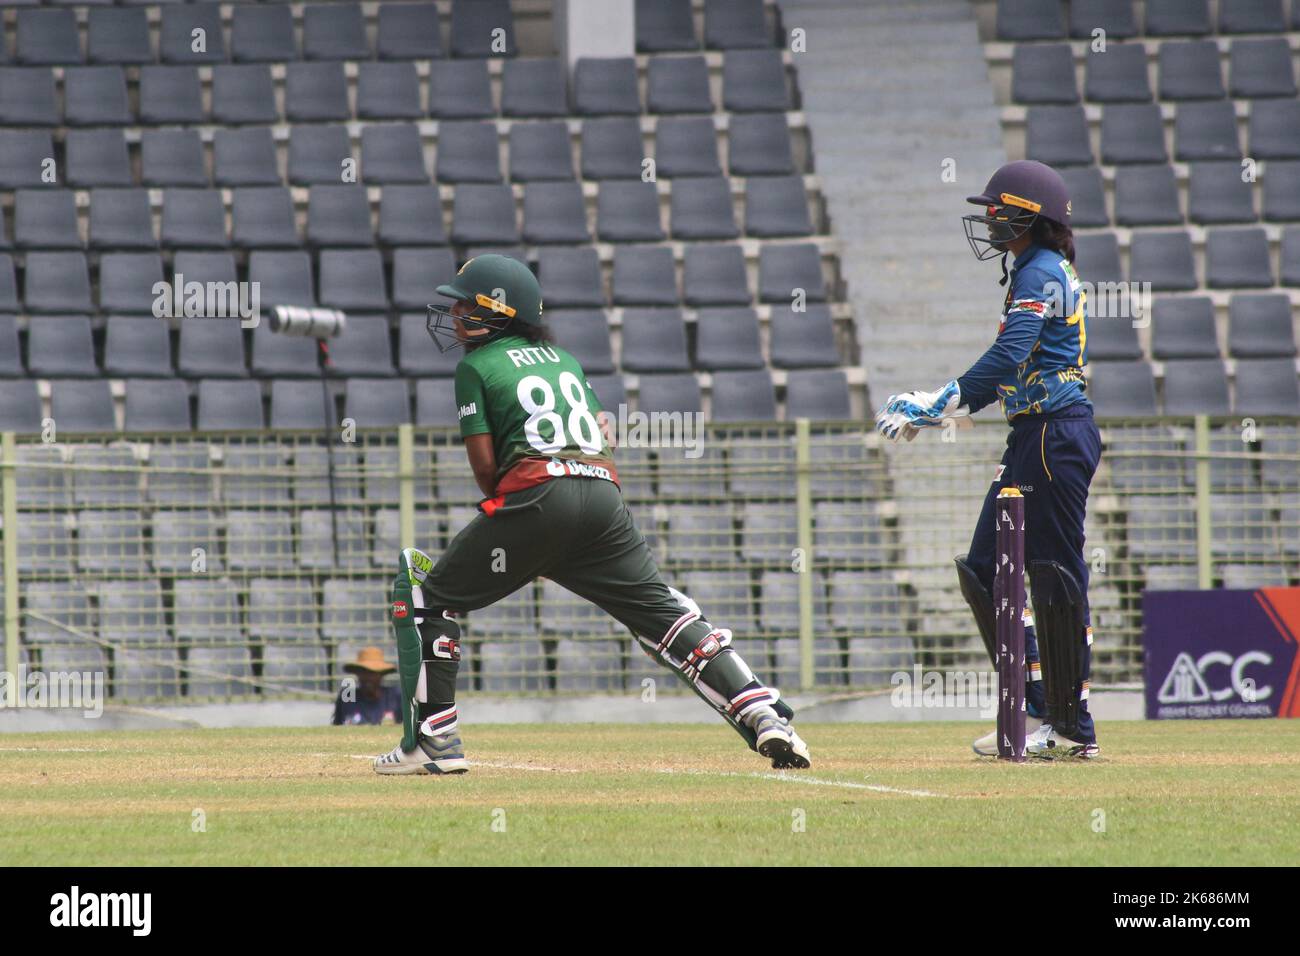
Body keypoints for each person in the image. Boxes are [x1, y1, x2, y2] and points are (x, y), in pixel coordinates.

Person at [373, 254, 811, 775]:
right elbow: (604, 430)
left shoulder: (474, 367)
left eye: (468, 304)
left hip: (538, 499)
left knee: (425, 596)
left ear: (499, 311)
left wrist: (527, 538)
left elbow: (488, 472)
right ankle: (763, 712)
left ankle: (433, 742)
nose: (457, 314)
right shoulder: (564, 359)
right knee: (665, 616)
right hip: (602, 496)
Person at [873, 160, 1101, 759]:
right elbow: (1014, 366)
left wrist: (938, 401)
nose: (989, 221)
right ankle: (1034, 709)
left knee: (1053, 572)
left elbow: (1011, 353)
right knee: (984, 567)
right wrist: (947, 408)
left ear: (1030, 216)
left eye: (997, 211)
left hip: (1055, 434)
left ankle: (1070, 726)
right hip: (1034, 433)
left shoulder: (1043, 270)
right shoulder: (1032, 269)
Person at [331, 647, 402, 726]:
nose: (368, 677)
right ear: (357, 673)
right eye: (363, 672)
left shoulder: (395, 696)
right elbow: (337, 727)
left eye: (372, 672)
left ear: (381, 674)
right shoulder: (348, 697)